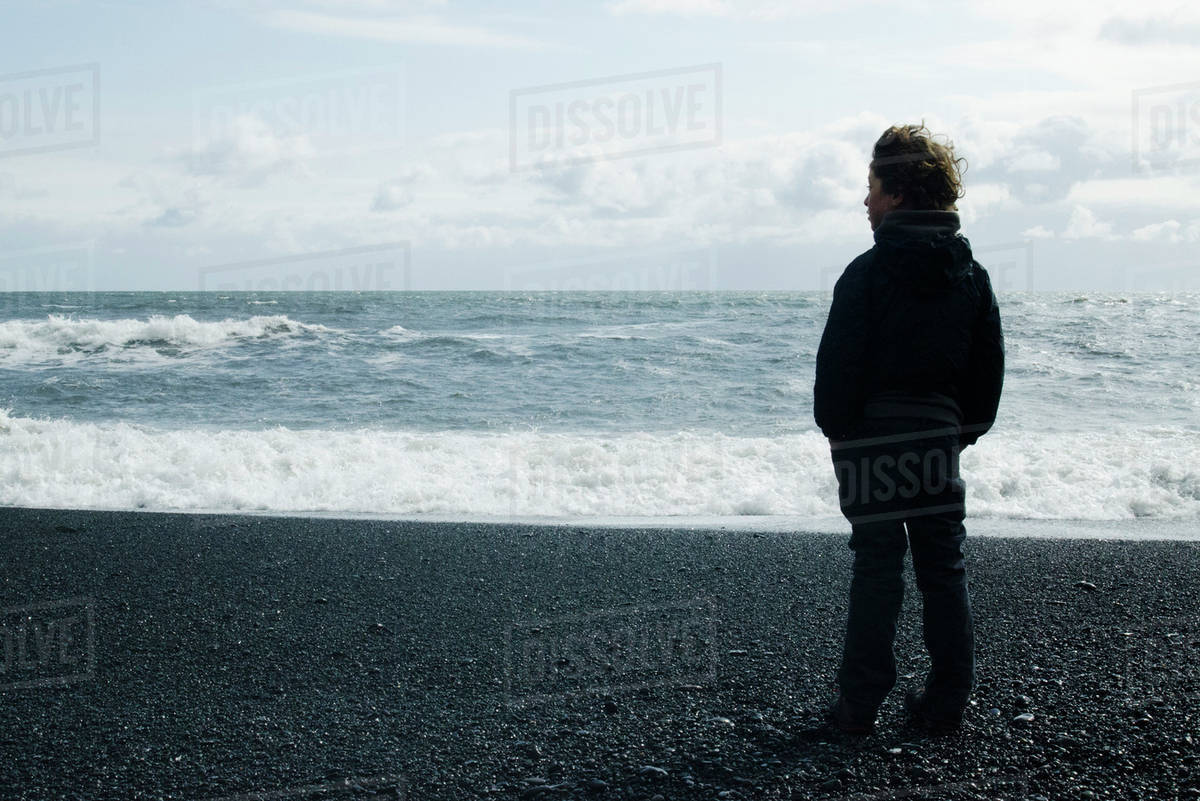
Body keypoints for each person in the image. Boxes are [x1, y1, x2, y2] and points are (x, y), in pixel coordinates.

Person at [813, 123, 1005, 735]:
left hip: (870, 439)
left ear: (896, 193)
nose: (864, 201)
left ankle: (858, 710)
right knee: (943, 568)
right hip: (937, 437)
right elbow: (987, 373)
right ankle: (946, 704)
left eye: (871, 187)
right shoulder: (970, 276)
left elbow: (838, 368)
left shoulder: (866, 273)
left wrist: (840, 433)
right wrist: (957, 432)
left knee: (876, 568)